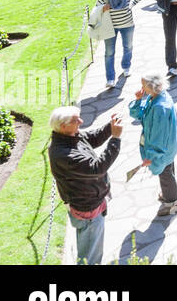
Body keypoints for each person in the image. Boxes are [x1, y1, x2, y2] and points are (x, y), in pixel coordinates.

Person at [49, 106, 123, 265]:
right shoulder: (64, 154)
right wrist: (115, 139)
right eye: (76, 120)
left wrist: (110, 126)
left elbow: (94, 137)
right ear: (63, 126)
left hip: (91, 205)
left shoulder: (69, 136)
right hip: (88, 211)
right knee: (89, 258)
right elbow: (97, 167)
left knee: (89, 250)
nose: (81, 122)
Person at [130, 73, 177, 217]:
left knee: (165, 174)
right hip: (168, 146)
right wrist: (138, 100)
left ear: (153, 87)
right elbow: (139, 114)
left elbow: (158, 137)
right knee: (168, 169)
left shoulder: (160, 107)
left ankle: (174, 201)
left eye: (143, 86)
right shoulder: (156, 97)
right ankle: (169, 193)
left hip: (162, 149)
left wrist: (151, 157)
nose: (141, 88)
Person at [91, 0, 143, 88]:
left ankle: (126, 67)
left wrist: (131, 5)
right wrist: (102, 8)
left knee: (128, 46)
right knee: (109, 53)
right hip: (110, 27)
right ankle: (110, 79)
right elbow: (96, 9)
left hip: (127, 24)